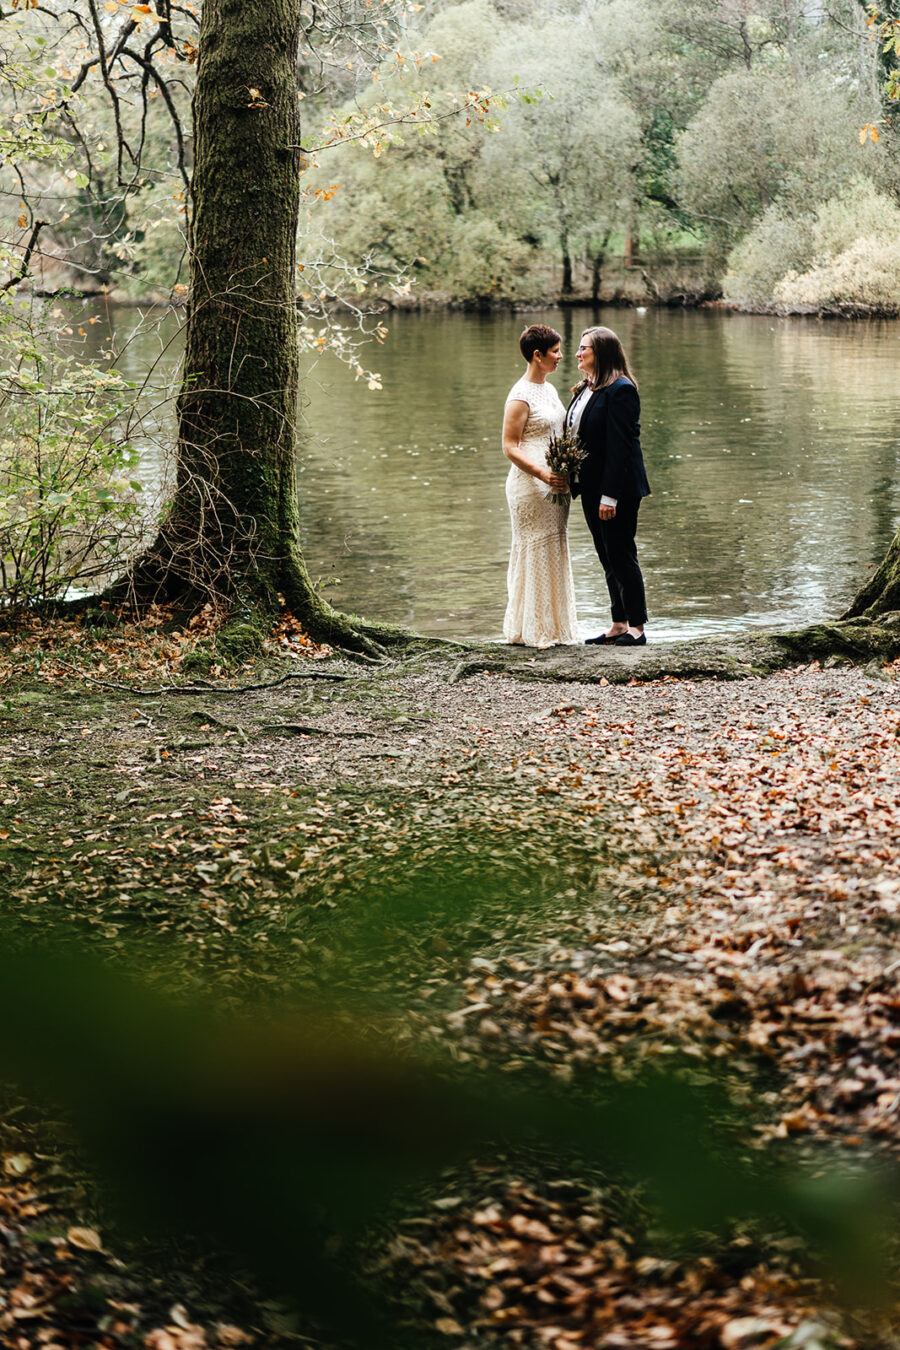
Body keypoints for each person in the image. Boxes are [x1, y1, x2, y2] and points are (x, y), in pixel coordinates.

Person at [567, 326, 650, 646]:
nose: (577, 353)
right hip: (591, 487)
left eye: (583, 348)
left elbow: (621, 448)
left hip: (617, 491)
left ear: (600, 352)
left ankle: (637, 628)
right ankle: (618, 623)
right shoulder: (588, 388)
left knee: (622, 554)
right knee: (606, 556)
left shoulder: (621, 390)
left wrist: (610, 496)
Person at [502, 324, 579, 648]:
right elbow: (510, 446)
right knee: (534, 549)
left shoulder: (548, 389)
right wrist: (542, 474)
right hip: (531, 485)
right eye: (555, 351)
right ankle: (532, 630)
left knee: (553, 549)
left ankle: (555, 628)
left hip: (556, 484)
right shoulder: (519, 396)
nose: (561, 356)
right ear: (538, 355)